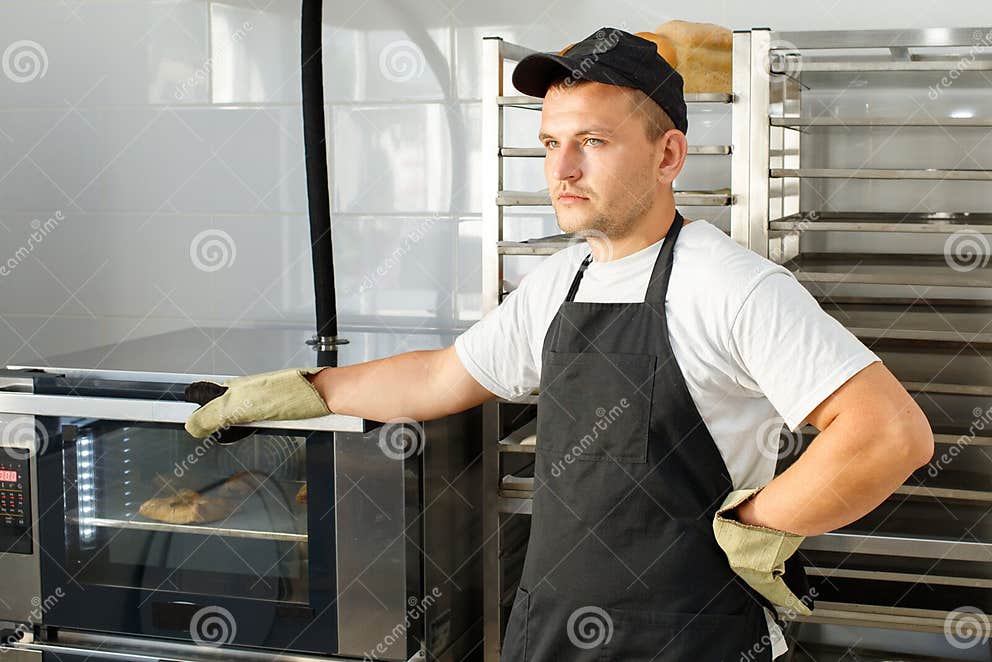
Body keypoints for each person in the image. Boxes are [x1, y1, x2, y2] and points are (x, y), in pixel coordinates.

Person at [185, 27, 934, 662]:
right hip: (551, 626)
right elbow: (443, 377)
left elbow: (888, 433)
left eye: (592, 142)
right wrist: (305, 390)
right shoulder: (562, 279)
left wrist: (758, 525)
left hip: (691, 636)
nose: (562, 170)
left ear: (668, 155)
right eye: (550, 143)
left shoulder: (731, 284)